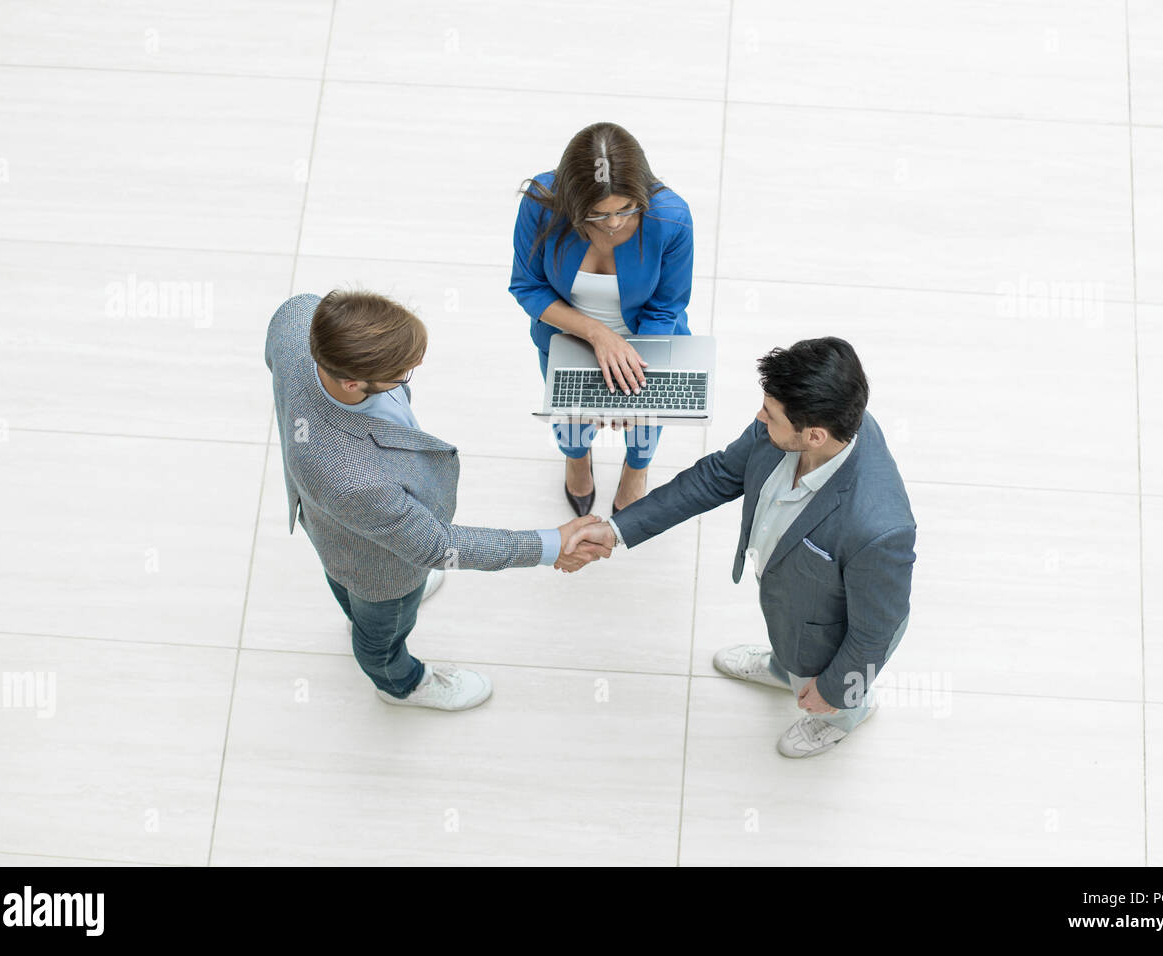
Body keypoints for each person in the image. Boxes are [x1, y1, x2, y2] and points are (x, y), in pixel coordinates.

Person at [563, 338, 916, 758]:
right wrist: (618, 529)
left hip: (832, 631)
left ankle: (840, 718)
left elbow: (873, 631)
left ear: (815, 435)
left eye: (770, 415)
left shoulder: (879, 531)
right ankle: (780, 667)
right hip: (792, 596)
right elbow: (717, 476)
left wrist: (836, 688)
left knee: (821, 684)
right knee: (788, 645)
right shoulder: (802, 422)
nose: (759, 417)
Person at [264, 290, 608, 713]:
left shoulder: (298, 317)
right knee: (381, 634)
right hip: (382, 570)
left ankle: (360, 611)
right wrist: (549, 544)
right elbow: (434, 547)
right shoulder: (351, 477)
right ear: (353, 382)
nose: (415, 369)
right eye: (403, 372)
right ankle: (400, 685)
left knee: (344, 578)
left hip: (341, 527)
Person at [509, 121, 694, 516]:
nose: (613, 224)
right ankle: (576, 459)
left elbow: (665, 307)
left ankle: (636, 469)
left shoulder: (672, 217)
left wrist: (633, 377)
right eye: (596, 213)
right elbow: (528, 286)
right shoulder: (541, 205)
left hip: (648, 338)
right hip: (566, 335)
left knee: (643, 421)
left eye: (626, 209)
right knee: (572, 422)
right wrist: (596, 333)